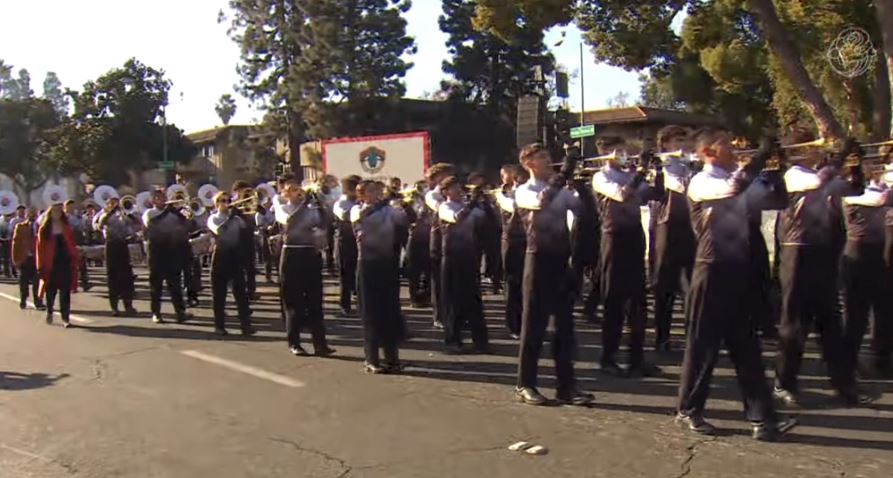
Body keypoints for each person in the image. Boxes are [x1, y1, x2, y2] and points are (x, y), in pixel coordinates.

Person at [676, 128, 796, 441]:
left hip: (738, 270)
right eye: (726, 145)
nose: (734, 148)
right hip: (711, 269)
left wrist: (775, 169)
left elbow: (779, 201)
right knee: (703, 346)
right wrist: (758, 158)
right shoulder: (702, 181)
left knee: (747, 348)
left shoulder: (740, 179)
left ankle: (762, 418)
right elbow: (733, 188)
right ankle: (689, 409)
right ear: (707, 153)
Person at [774, 131, 867, 406]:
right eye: (811, 146)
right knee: (794, 322)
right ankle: (784, 382)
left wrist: (855, 164)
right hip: (797, 251)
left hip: (825, 251)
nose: (817, 150)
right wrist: (839, 158)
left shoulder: (825, 174)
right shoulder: (793, 175)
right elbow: (818, 181)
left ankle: (843, 383)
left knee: (830, 323)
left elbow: (854, 190)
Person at [514, 142, 593, 406]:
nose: (550, 161)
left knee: (565, 329)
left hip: (562, 261)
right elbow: (541, 201)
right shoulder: (523, 191)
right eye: (543, 157)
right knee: (533, 327)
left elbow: (583, 212)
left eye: (550, 156)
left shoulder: (562, 191)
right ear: (529, 163)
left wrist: (583, 187)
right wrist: (564, 175)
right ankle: (525, 384)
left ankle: (567, 387)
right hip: (537, 262)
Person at [592, 147, 664, 377]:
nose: (625, 155)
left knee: (638, 303)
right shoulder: (601, 177)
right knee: (614, 300)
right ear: (606, 153)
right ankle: (608, 358)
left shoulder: (629, 174)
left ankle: (637, 358)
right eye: (619, 151)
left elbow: (656, 194)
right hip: (613, 237)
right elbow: (622, 194)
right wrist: (640, 172)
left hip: (635, 236)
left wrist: (658, 170)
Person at [352, 180, 409, 373]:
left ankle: (392, 358)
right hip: (367, 265)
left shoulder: (388, 210)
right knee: (371, 313)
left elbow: (404, 220)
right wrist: (382, 205)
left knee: (390, 312)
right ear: (361, 195)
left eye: (377, 190)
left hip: (387, 264)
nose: (376, 193)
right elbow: (360, 218)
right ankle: (371, 359)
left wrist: (404, 205)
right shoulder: (356, 209)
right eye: (370, 191)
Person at [275, 175, 335, 357]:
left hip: (310, 254)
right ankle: (294, 343)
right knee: (293, 302)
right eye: (291, 189)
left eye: (298, 188)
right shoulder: (281, 207)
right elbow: (290, 220)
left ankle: (320, 344)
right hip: (291, 254)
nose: (297, 192)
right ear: (284, 193)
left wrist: (321, 205)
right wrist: (305, 204)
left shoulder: (311, 208)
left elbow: (324, 223)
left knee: (315, 301)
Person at [841, 175, 893, 381]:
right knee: (856, 312)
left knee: (884, 309)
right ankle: (848, 363)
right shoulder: (851, 194)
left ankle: (881, 359)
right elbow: (877, 200)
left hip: (880, 252)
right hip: (858, 252)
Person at [650, 126, 696, 352]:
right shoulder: (664, 165)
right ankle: (662, 338)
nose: (686, 144)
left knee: (692, 285)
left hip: (690, 228)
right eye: (679, 139)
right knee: (665, 286)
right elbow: (681, 186)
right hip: (667, 229)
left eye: (686, 140)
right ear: (666, 143)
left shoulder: (689, 163)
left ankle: (693, 338)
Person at [439, 176, 490, 354]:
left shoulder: (469, 207)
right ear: (445, 192)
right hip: (453, 258)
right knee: (454, 300)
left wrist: (486, 203)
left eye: (459, 187)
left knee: (474, 300)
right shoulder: (445, 207)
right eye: (454, 188)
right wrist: (473, 202)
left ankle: (481, 341)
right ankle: (453, 339)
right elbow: (458, 218)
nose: (459, 191)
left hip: (469, 257)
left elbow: (485, 221)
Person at [207, 191, 254, 336]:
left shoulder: (236, 219)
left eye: (228, 200)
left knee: (241, 294)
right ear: (216, 204)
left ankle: (246, 326)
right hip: (220, 256)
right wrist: (230, 217)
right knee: (219, 294)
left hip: (235, 256)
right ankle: (219, 325)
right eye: (222, 200)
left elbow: (246, 228)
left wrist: (242, 214)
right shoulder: (213, 218)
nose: (226, 203)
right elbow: (219, 230)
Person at [143, 189, 191, 324]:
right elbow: (151, 225)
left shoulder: (172, 214)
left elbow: (186, 226)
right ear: (153, 200)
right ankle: (156, 313)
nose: (161, 199)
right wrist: (166, 212)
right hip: (156, 253)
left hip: (172, 251)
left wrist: (179, 213)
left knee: (175, 285)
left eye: (163, 197)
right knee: (156, 285)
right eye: (157, 197)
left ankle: (180, 312)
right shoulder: (149, 213)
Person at [495, 165, 529, 338]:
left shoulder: (525, 190)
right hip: (510, 240)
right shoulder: (500, 194)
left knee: (527, 284)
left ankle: (526, 323)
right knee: (512, 283)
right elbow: (512, 207)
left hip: (527, 239)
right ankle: (513, 325)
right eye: (512, 175)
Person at [36, 203, 80, 328]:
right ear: (50, 212)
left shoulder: (66, 227)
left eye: (59, 211)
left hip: (65, 262)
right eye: (55, 211)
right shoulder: (44, 229)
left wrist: (75, 255)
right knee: (51, 291)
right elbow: (40, 248)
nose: (57, 213)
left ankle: (65, 318)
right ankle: (49, 311)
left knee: (65, 291)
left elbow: (71, 243)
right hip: (51, 264)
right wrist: (40, 265)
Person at [425, 164, 456, 329]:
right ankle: (440, 315)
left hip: (455, 240)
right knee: (438, 280)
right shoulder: (433, 195)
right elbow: (442, 209)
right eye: (446, 175)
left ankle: (454, 314)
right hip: (438, 239)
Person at [96, 197, 138, 316]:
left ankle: (128, 305)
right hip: (111, 245)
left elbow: (135, 224)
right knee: (113, 277)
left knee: (127, 277)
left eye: (116, 203)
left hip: (123, 245)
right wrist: (110, 211)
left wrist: (129, 215)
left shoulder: (123, 215)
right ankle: (114, 306)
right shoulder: (104, 214)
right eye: (112, 203)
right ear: (108, 205)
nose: (115, 205)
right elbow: (100, 225)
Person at [332, 175, 361, 316]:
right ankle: (345, 304)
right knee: (345, 274)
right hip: (345, 241)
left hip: (360, 240)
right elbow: (345, 216)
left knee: (360, 273)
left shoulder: (361, 202)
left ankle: (361, 302)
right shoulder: (340, 203)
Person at [405, 181, 431, 308]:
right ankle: (414, 298)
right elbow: (410, 219)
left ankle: (426, 296)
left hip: (427, 236)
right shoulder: (408, 203)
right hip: (413, 237)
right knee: (414, 270)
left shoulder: (427, 202)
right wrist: (407, 205)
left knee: (428, 269)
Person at [11, 208, 43, 310]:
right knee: (23, 281)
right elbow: (15, 244)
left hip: (36, 258)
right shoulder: (20, 227)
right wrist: (15, 260)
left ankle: (38, 301)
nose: (32, 215)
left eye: (34, 213)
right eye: (30, 213)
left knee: (36, 281)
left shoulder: (40, 227)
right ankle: (23, 299)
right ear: (26, 215)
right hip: (24, 258)